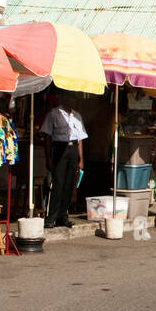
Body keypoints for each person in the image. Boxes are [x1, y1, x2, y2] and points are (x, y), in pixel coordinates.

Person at [39, 92, 87, 227]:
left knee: (69, 185)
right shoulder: (54, 113)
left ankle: (63, 216)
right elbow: (47, 137)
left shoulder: (77, 116)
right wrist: (48, 158)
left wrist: (81, 159)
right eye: (71, 97)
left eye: (74, 98)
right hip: (60, 148)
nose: (73, 101)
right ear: (64, 98)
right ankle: (51, 217)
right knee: (58, 184)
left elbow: (80, 140)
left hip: (72, 150)